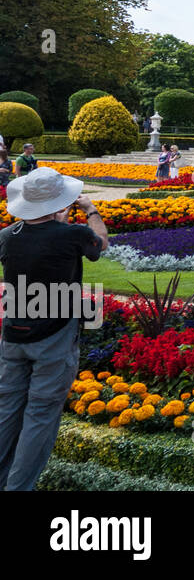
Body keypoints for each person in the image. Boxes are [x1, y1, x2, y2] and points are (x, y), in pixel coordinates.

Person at [0, 166, 110, 490]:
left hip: (13, 335)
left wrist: (55, 223)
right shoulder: (72, 235)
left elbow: (38, 242)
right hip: (54, 334)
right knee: (40, 417)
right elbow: (101, 244)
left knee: (6, 413)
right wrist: (90, 209)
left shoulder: (7, 237)